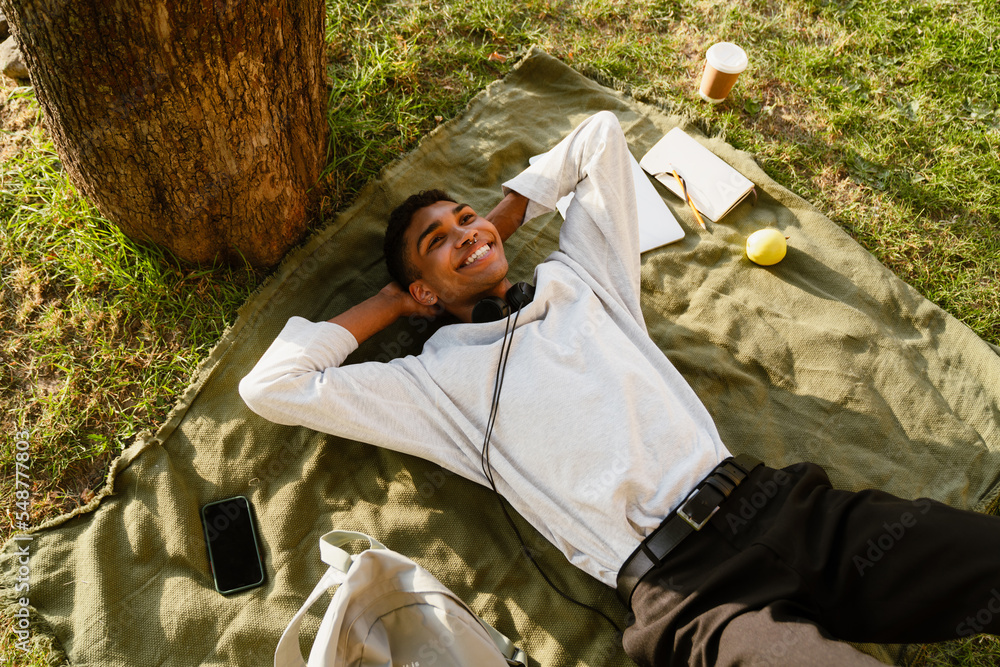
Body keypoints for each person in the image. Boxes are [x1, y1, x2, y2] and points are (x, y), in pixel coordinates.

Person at [240, 111, 1000, 666]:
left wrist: (495, 222)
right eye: (437, 240)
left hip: (788, 509)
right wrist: (397, 304)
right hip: (692, 592)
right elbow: (275, 385)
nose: (464, 232)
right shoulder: (428, 385)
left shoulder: (583, 282)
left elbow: (600, 136)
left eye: (464, 218)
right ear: (423, 290)